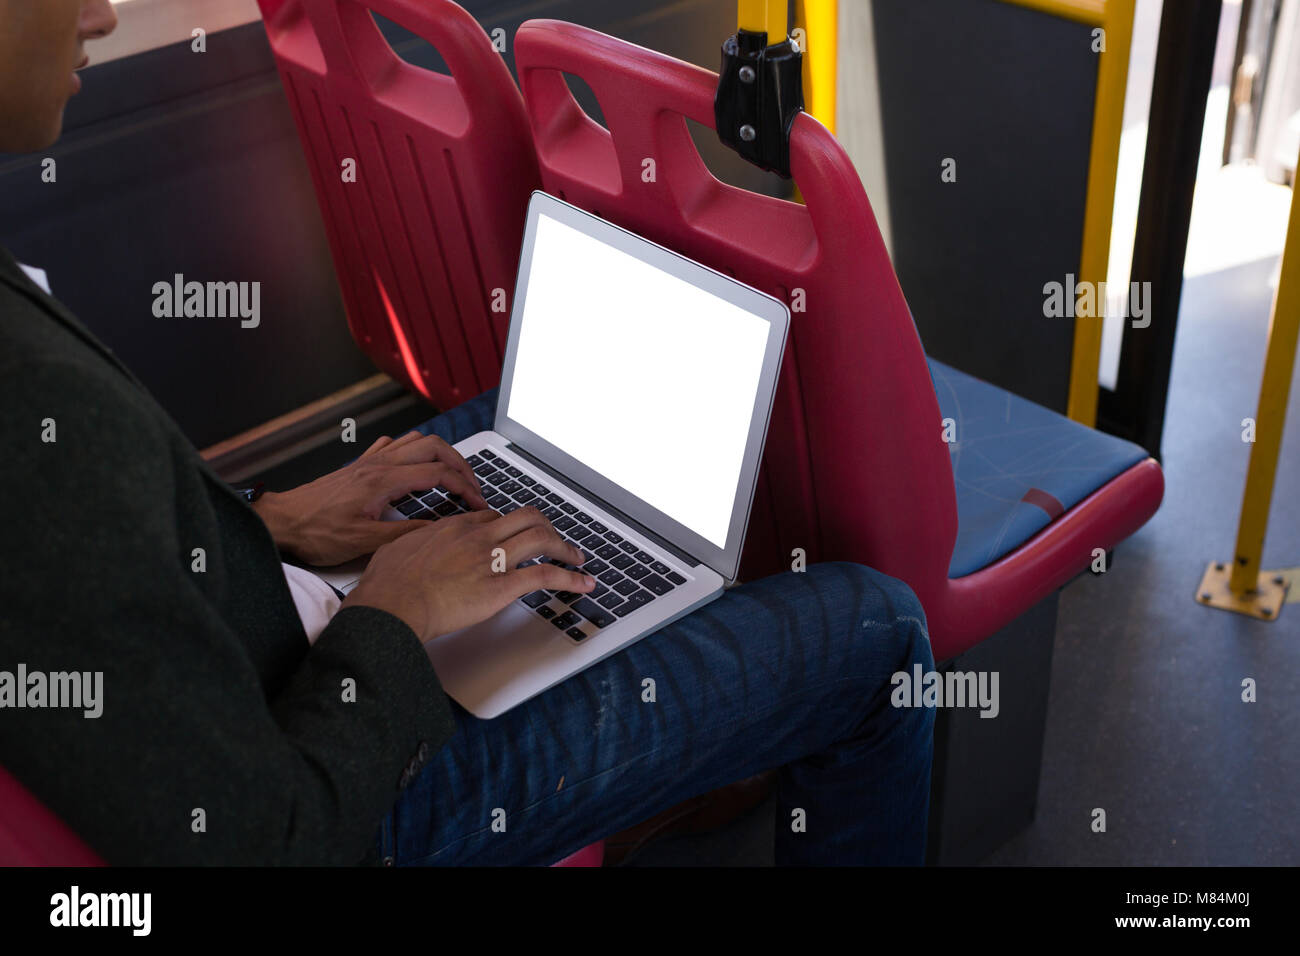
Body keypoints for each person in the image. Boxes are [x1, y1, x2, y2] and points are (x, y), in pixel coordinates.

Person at [0, 0, 935, 866]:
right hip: (361, 782)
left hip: (283, 625)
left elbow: (111, 570)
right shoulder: (39, 406)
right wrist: (396, 614)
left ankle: (693, 701)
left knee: (508, 450)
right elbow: (268, 839)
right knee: (877, 624)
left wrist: (267, 521)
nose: (103, 13)